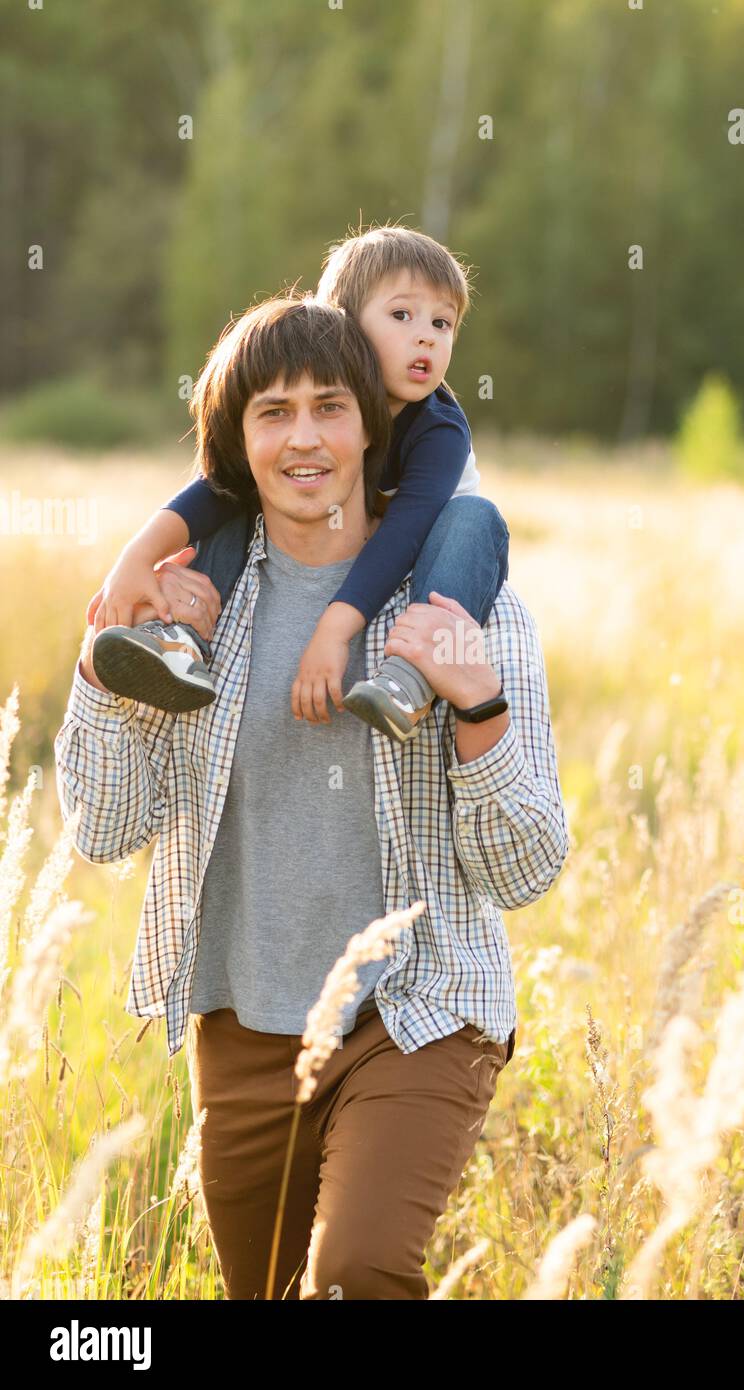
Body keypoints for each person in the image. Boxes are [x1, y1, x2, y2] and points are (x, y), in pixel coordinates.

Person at [54, 294, 570, 1300]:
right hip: (242, 1030)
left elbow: (527, 867)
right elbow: (106, 827)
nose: (303, 438)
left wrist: (478, 707)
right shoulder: (198, 605)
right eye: (273, 412)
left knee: (355, 1273)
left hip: (417, 1016)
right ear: (233, 442)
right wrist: (103, 668)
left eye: (329, 406)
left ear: (372, 424)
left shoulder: (465, 605)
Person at [84, 223, 504, 746]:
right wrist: (134, 560)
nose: (426, 336)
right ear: (342, 327)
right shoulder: (299, 431)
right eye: (402, 315)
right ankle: (183, 640)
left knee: (475, 518)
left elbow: (406, 533)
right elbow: (216, 488)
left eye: (443, 324)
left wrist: (332, 634)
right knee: (241, 489)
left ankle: (410, 677)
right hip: (343, 534)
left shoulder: (439, 430)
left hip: (431, 553)